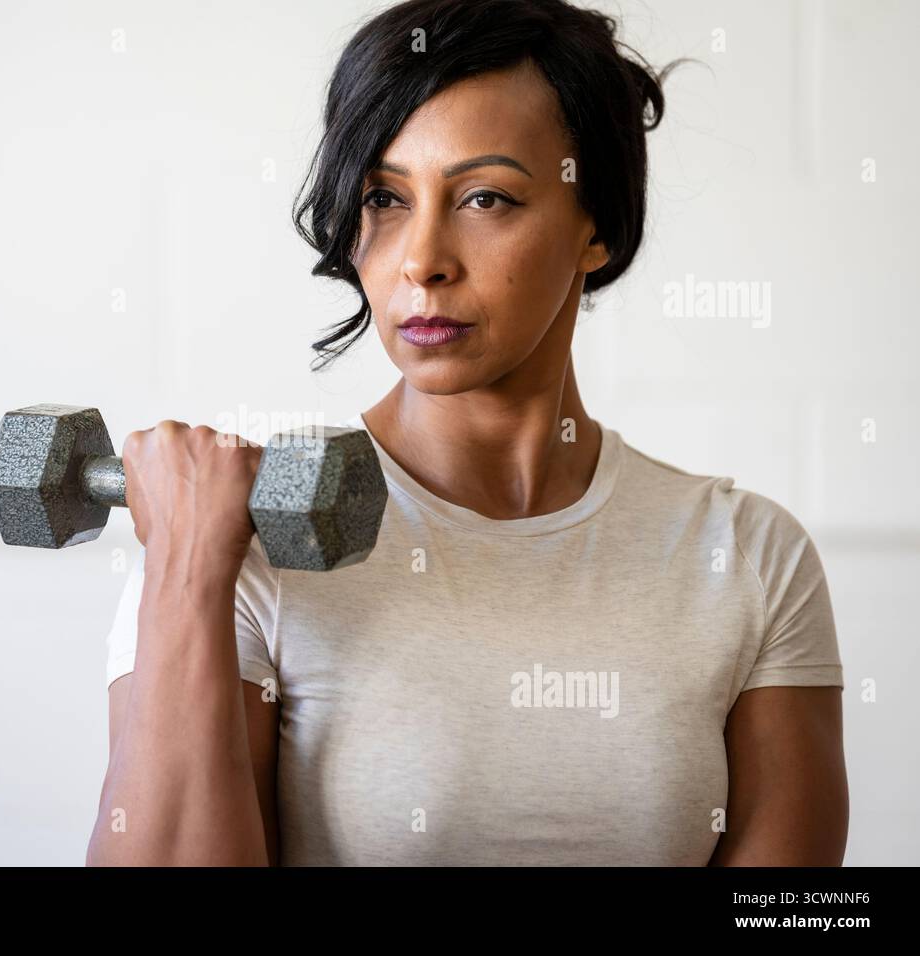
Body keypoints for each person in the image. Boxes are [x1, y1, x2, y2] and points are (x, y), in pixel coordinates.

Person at [85, 0, 847, 866]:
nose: (422, 260)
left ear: (595, 220)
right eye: (384, 197)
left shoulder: (748, 559)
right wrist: (186, 573)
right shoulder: (239, 547)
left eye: (485, 197)